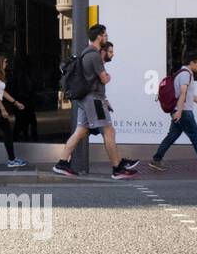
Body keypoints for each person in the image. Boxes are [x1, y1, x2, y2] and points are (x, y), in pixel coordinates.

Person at [53, 25, 138, 179]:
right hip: (94, 100)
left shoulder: (87, 53)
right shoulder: (94, 55)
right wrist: (108, 77)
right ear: (99, 36)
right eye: (105, 35)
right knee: (109, 131)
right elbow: (104, 78)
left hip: (86, 99)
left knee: (80, 132)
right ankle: (117, 168)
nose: (106, 37)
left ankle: (62, 163)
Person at [150, 51, 197, 173]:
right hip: (184, 112)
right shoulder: (186, 74)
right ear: (192, 62)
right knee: (195, 136)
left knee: (172, 136)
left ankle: (156, 159)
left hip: (180, 111)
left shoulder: (182, 73)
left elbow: (190, 95)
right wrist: (179, 111)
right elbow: (183, 94)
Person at [0, 53, 27, 169]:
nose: (6, 64)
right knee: (6, 131)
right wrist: (3, 109)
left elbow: (1, 91)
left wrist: (15, 102)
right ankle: (11, 159)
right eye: (5, 62)